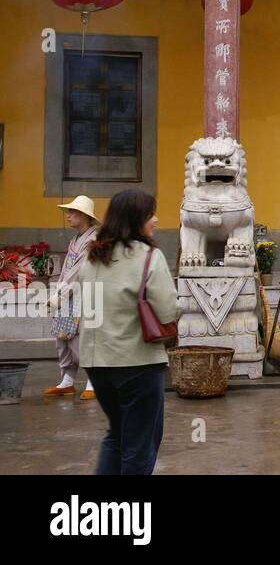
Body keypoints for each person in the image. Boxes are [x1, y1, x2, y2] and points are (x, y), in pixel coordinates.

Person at [79, 190, 178, 475]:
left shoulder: (93, 257)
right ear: (136, 219)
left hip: (96, 364)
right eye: (150, 215)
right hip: (138, 363)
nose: (155, 220)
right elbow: (167, 311)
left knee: (117, 434)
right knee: (139, 444)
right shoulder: (149, 256)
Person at [43, 195, 99, 401]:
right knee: (63, 337)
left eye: (73, 212)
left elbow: (79, 272)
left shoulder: (92, 240)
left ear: (84, 215)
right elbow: (67, 270)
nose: (68, 215)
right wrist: (57, 293)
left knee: (80, 339)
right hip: (68, 294)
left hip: (83, 295)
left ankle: (93, 381)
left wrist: (60, 295)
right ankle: (67, 380)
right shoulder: (75, 240)